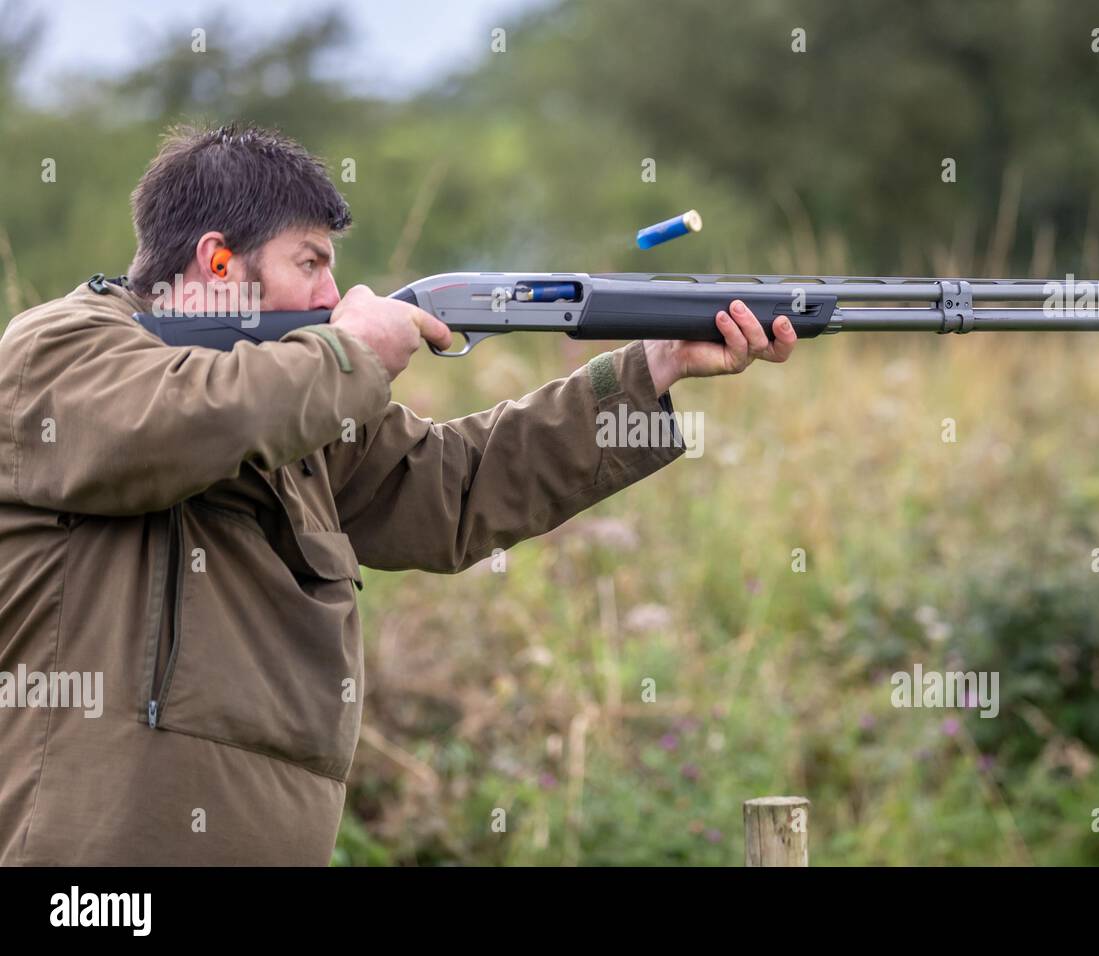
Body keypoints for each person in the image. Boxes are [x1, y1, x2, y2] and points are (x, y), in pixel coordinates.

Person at [0, 123, 797, 865]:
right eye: (309, 263)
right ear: (217, 261)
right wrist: (351, 357)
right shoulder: (61, 348)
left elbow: (450, 491)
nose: (334, 294)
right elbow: (167, 426)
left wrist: (647, 371)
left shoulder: (300, 401)